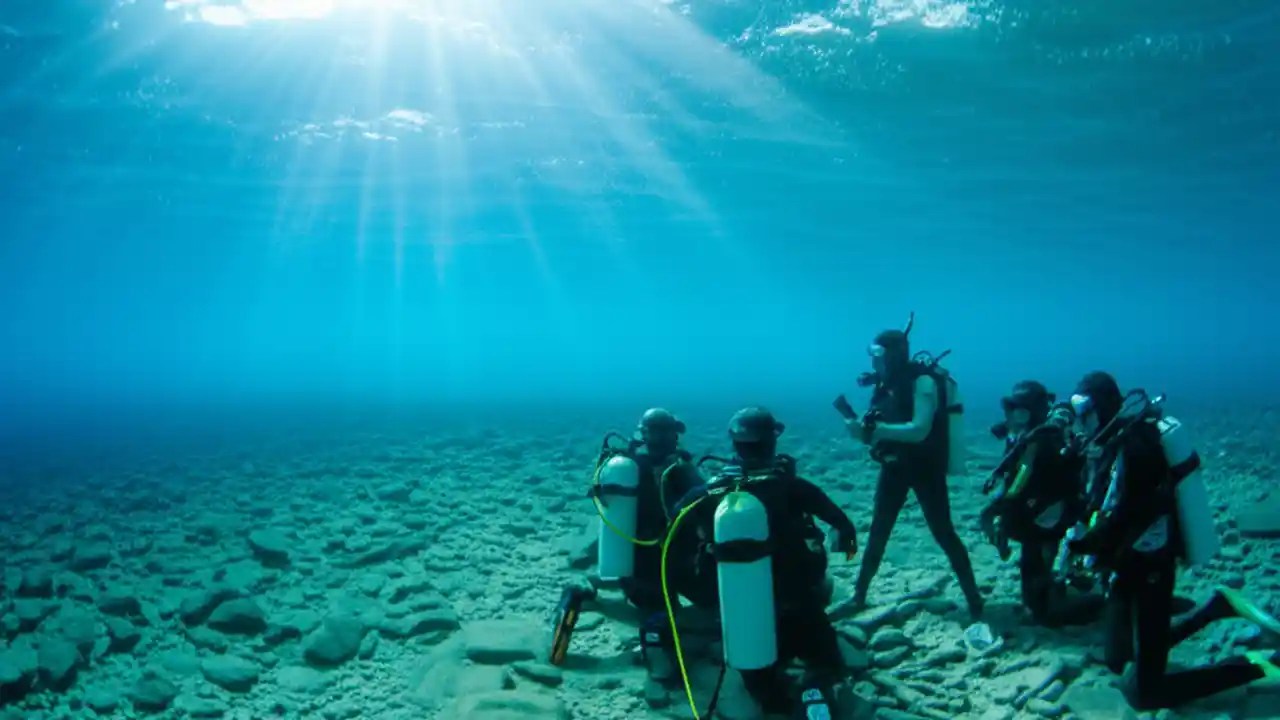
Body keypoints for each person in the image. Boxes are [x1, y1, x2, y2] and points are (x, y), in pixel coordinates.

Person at [1063, 371, 1280, 710]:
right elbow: (1102, 501)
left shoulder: (1137, 446)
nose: (1081, 421)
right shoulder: (1111, 443)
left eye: (1085, 411)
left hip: (1150, 565)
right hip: (1125, 562)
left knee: (1146, 693)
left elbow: (1130, 514)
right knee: (1119, 660)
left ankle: (1257, 666)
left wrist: (1086, 545)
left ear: (1102, 407)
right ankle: (1213, 609)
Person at [679, 407, 858, 716]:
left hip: (742, 618)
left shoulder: (706, 493)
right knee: (827, 662)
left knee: (761, 682)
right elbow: (841, 525)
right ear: (772, 442)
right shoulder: (792, 487)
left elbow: (673, 529)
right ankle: (814, 687)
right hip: (798, 608)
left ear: (735, 443)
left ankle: (770, 694)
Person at [834, 317, 984, 620]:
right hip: (893, 466)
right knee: (878, 530)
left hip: (925, 468)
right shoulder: (886, 385)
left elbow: (919, 430)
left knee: (943, 533)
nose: (873, 364)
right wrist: (862, 429)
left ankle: (975, 599)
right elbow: (881, 427)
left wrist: (875, 432)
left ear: (891, 355)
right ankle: (859, 595)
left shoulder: (923, 382)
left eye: (877, 357)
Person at [980, 380, 1102, 627]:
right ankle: (1051, 590)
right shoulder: (1026, 437)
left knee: (1040, 604)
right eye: (1013, 409)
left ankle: (1093, 603)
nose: (1015, 416)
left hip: (1045, 519)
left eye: (1022, 411)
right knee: (1033, 579)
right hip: (1034, 515)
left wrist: (994, 511)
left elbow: (1019, 483)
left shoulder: (1041, 441)